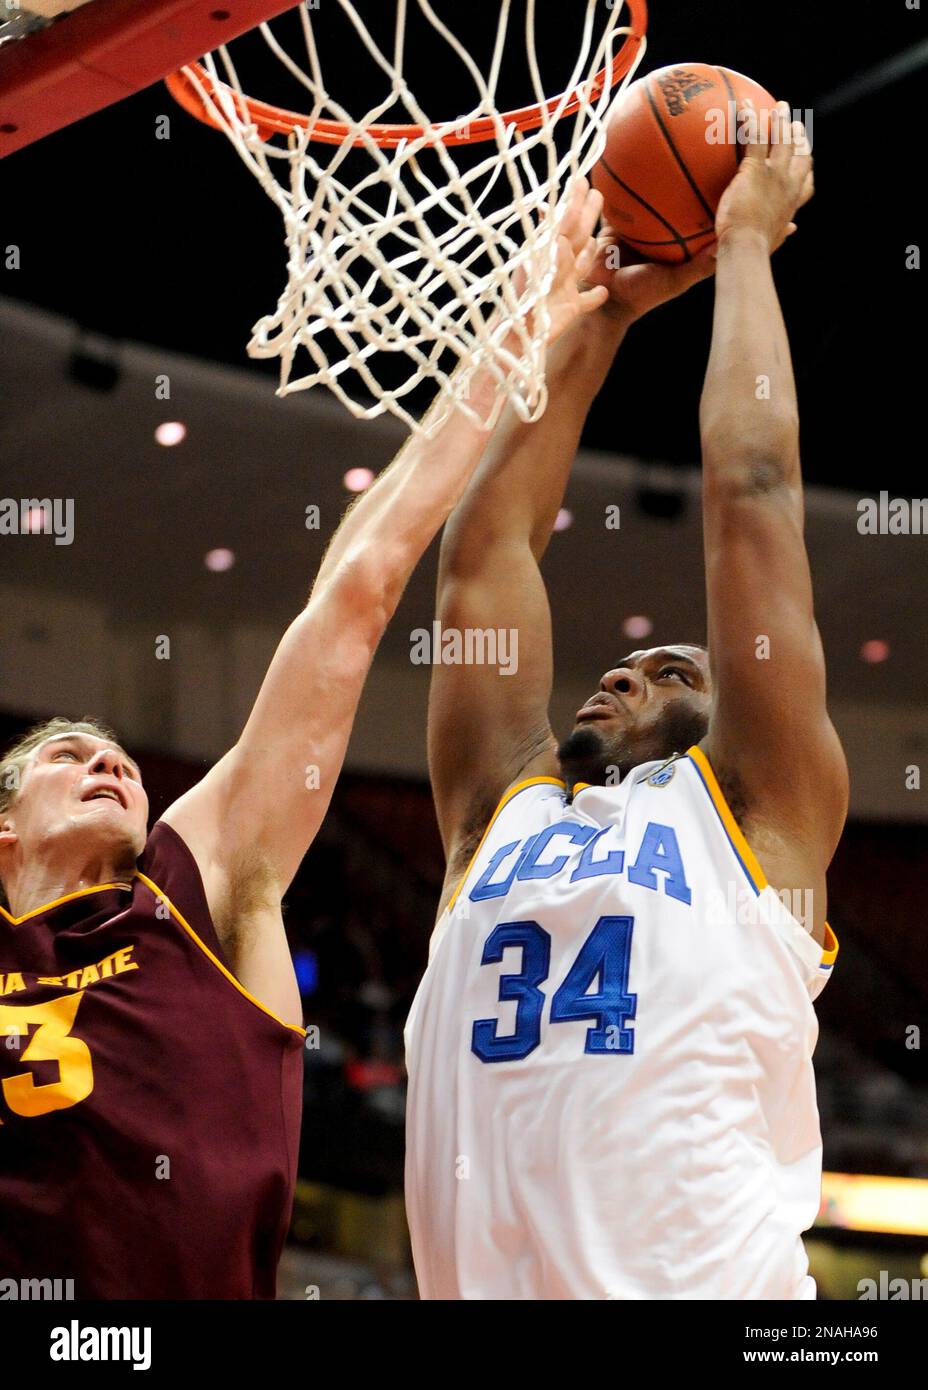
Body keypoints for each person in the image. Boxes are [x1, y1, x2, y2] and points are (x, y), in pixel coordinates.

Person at [0, 185, 608, 1299]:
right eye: (66, 756)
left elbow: (357, 595)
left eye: (119, 757)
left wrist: (515, 333)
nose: (111, 763)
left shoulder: (202, 878)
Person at [405, 104, 848, 1299]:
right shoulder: (497, 819)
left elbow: (752, 487)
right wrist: (602, 319)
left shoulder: (759, 830)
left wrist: (746, 243)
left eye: (673, 672)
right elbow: (482, 553)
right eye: (629, 664)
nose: (622, 671)